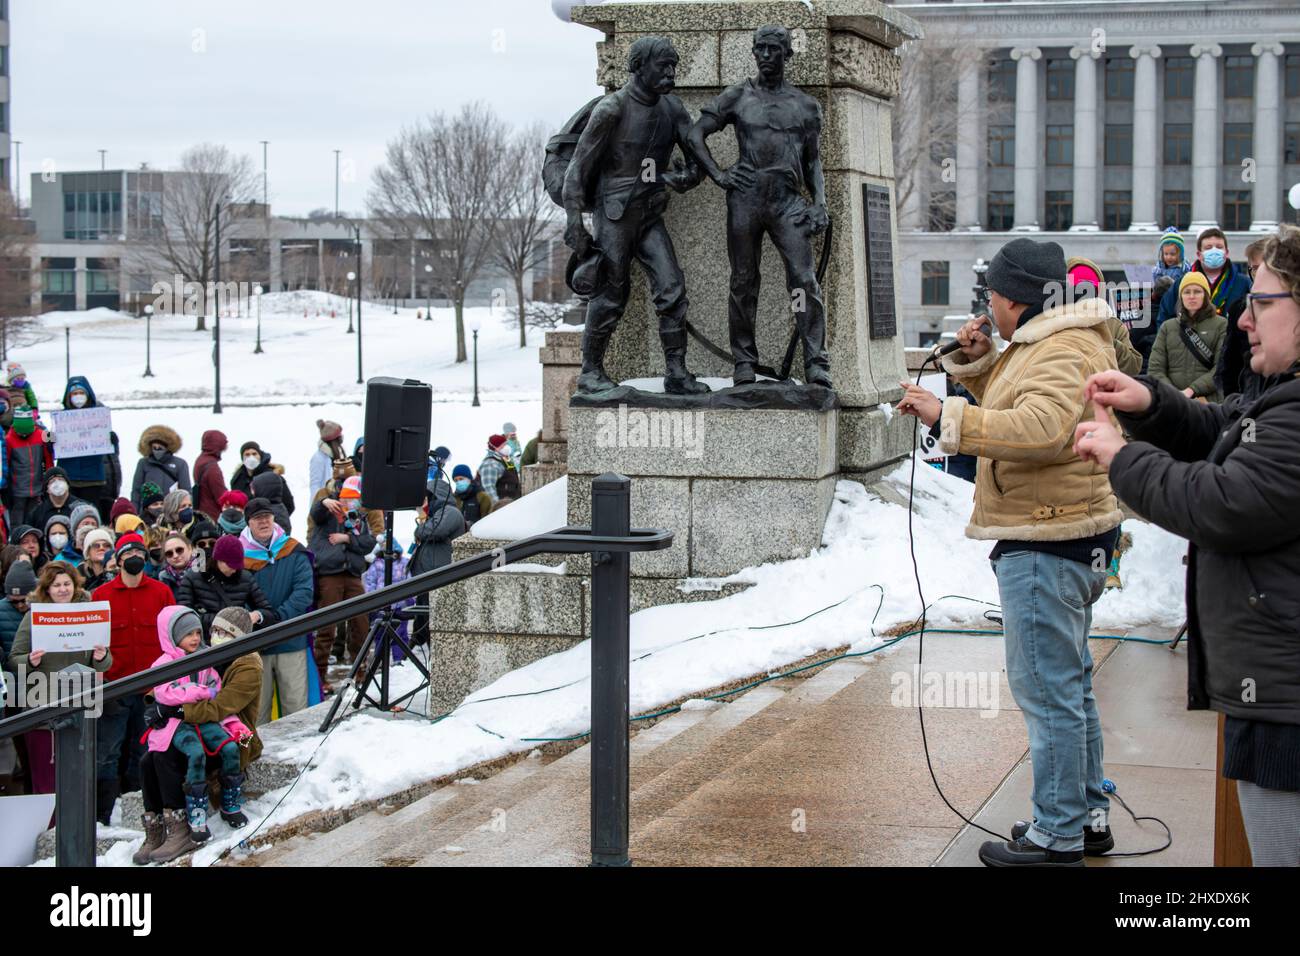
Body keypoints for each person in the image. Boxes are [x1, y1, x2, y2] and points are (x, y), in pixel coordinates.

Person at [1074, 224, 1300, 866]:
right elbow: (1226, 429)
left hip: (1286, 705)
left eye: (1261, 302)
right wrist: (1150, 401)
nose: (1245, 320)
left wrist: (1123, 457)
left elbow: (1221, 503)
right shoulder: (1280, 395)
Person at [896, 237, 1122, 866]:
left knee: (1048, 692)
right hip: (1065, 534)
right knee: (1069, 687)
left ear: (1016, 297)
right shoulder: (1055, 341)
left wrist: (949, 415)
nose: (986, 305)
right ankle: (1086, 816)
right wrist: (982, 360)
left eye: (991, 295)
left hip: (1048, 537)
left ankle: (1057, 836)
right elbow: (1027, 397)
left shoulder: (1063, 344)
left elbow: (1042, 427)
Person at [561, 35, 711, 395]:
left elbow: (696, 160)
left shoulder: (672, 109)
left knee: (672, 287)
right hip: (614, 216)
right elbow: (576, 173)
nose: (671, 73)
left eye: (674, 66)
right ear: (639, 66)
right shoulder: (612, 109)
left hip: (649, 215)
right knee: (611, 294)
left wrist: (684, 178)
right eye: (663, 66)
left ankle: (676, 373)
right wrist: (574, 223)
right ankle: (590, 372)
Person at [688, 24, 833, 389]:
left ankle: (815, 362)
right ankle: (743, 362)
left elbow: (814, 161)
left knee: (803, 282)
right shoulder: (738, 96)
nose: (766, 56)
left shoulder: (805, 105)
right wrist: (718, 174)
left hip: (787, 202)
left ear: (787, 54)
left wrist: (820, 203)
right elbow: (695, 134)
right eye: (761, 49)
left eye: (773, 49)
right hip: (746, 198)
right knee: (743, 281)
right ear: (754, 53)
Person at [136, 607, 261, 864]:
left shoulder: (247, 664)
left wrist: (175, 709)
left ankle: (185, 826)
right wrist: (158, 704)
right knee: (147, 761)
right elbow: (165, 686)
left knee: (165, 758)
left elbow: (219, 706)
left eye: (225, 633)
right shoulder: (204, 655)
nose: (214, 637)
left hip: (235, 732)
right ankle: (158, 827)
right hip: (197, 724)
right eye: (214, 630)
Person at [91, 532, 175, 823]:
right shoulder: (100, 597)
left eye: (138, 553)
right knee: (108, 752)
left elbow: (172, 637)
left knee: (144, 748)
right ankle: (102, 815)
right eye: (127, 554)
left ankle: (138, 806)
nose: (134, 559)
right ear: (118, 559)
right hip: (113, 688)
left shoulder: (161, 592)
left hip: (151, 688)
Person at [10, 562, 111, 795]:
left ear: (75, 586)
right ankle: (50, 829)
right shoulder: (34, 616)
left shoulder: (88, 614)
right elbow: (15, 657)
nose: (63, 589)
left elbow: (104, 662)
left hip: (79, 708)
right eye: (57, 585)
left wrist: (101, 657)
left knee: (77, 779)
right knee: (46, 781)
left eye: (67, 584)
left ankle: (78, 829)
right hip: (42, 709)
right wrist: (31, 660)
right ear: (47, 589)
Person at [240, 497, 314, 722]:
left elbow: (304, 592)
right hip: (255, 644)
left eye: (267, 517)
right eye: (257, 518)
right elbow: (235, 594)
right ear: (248, 523)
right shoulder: (239, 556)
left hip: (290, 638)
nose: (263, 522)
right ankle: (253, 756)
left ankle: (298, 756)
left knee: (296, 708)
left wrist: (278, 617)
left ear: (274, 518)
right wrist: (256, 620)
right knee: (255, 712)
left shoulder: (293, 550)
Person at [309, 475, 375, 691]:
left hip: (353, 574)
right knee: (327, 625)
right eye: (346, 498)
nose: (349, 503)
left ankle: (361, 672)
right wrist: (323, 503)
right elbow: (315, 514)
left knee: (360, 623)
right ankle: (319, 677)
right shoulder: (328, 510)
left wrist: (347, 539)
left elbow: (368, 543)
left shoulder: (359, 517)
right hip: (330, 573)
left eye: (354, 498)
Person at [1148, 271, 1228, 403]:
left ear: (1206, 296)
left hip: (1209, 403)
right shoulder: (1168, 327)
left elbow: (1221, 368)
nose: (1191, 296)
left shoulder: (1222, 325)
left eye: (1197, 292)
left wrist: (1191, 390)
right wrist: (1174, 394)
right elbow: (1155, 369)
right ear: (1181, 297)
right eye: (1186, 292)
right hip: (1173, 403)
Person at [177, 534, 277, 639]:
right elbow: (185, 617)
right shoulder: (192, 577)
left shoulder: (245, 578)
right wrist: (221, 621)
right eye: (231, 565)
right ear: (218, 559)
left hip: (236, 641)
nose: (234, 570)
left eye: (237, 566)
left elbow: (268, 612)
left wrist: (257, 615)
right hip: (203, 643)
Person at [1155, 227, 1251, 330]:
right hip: (1189, 343)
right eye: (1208, 247)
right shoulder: (1181, 283)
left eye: (1219, 247)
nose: (1214, 251)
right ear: (1199, 255)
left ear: (1226, 253)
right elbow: (1164, 317)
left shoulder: (1243, 283)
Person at [409, 478, 466, 648]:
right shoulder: (436, 515)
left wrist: (420, 525)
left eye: (426, 498)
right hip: (427, 580)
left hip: (438, 579)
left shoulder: (450, 512)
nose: (423, 502)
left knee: (435, 630)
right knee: (424, 626)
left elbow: (435, 530)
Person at [1065, 257, 1142, 376]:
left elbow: (1133, 367)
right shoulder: (1054, 322)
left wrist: (1108, 341)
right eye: (1078, 290)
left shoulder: (1113, 325)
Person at [1215, 237, 1269, 401]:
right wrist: (1234, 403)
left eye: (1262, 268)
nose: (1257, 273)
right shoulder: (1239, 308)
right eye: (1253, 269)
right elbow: (1229, 363)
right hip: (1247, 397)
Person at [4, 408, 53, 527]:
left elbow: (50, 456)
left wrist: (50, 478)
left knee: (34, 519)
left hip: (37, 488)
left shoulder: (42, 434)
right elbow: (6, 464)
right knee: (17, 522)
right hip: (17, 491)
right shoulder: (8, 439)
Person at [130, 425, 191, 512]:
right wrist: (134, 511)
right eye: (154, 448)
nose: (157, 450)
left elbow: (186, 491)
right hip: (148, 512)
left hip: (171, 511)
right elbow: (136, 491)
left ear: (167, 447)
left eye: (160, 448)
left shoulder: (180, 464)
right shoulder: (143, 463)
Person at [29, 466, 90, 535]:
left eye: (61, 480)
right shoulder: (38, 512)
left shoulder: (82, 508)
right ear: (47, 489)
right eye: (52, 481)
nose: (57, 483)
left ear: (68, 485)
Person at [0, 558, 36, 663]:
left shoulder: (45, 607)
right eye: (14, 602)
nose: (20, 605)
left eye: (24, 600)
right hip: (11, 675)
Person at [191, 429, 229, 521]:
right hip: (213, 515)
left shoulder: (200, 460)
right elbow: (221, 496)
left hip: (201, 510)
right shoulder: (212, 467)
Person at [309, 419, 346, 501]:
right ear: (334, 439)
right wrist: (320, 504)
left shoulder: (336, 455)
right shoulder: (318, 458)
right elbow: (315, 485)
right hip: (325, 506)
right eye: (340, 436)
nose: (342, 438)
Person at [477, 434, 517, 506]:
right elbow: (488, 489)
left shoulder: (504, 459)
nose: (507, 447)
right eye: (503, 446)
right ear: (495, 447)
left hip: (511, 504)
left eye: (506, 444)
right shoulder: (490, 464)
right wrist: (497, 507)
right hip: (501, 508)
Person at [450, 464, 493, 529]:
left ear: (469, 478)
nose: (458, 482)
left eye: (461, 479)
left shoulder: (482, 496)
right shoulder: (453, 498)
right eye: (456, 480)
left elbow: (487, 520)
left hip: (476, 534)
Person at [157, 531, 197, 597]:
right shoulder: (163, 577)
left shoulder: (204, 571)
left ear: (190, 549)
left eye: (179, 550)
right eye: (169, 553)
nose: (175, 556)